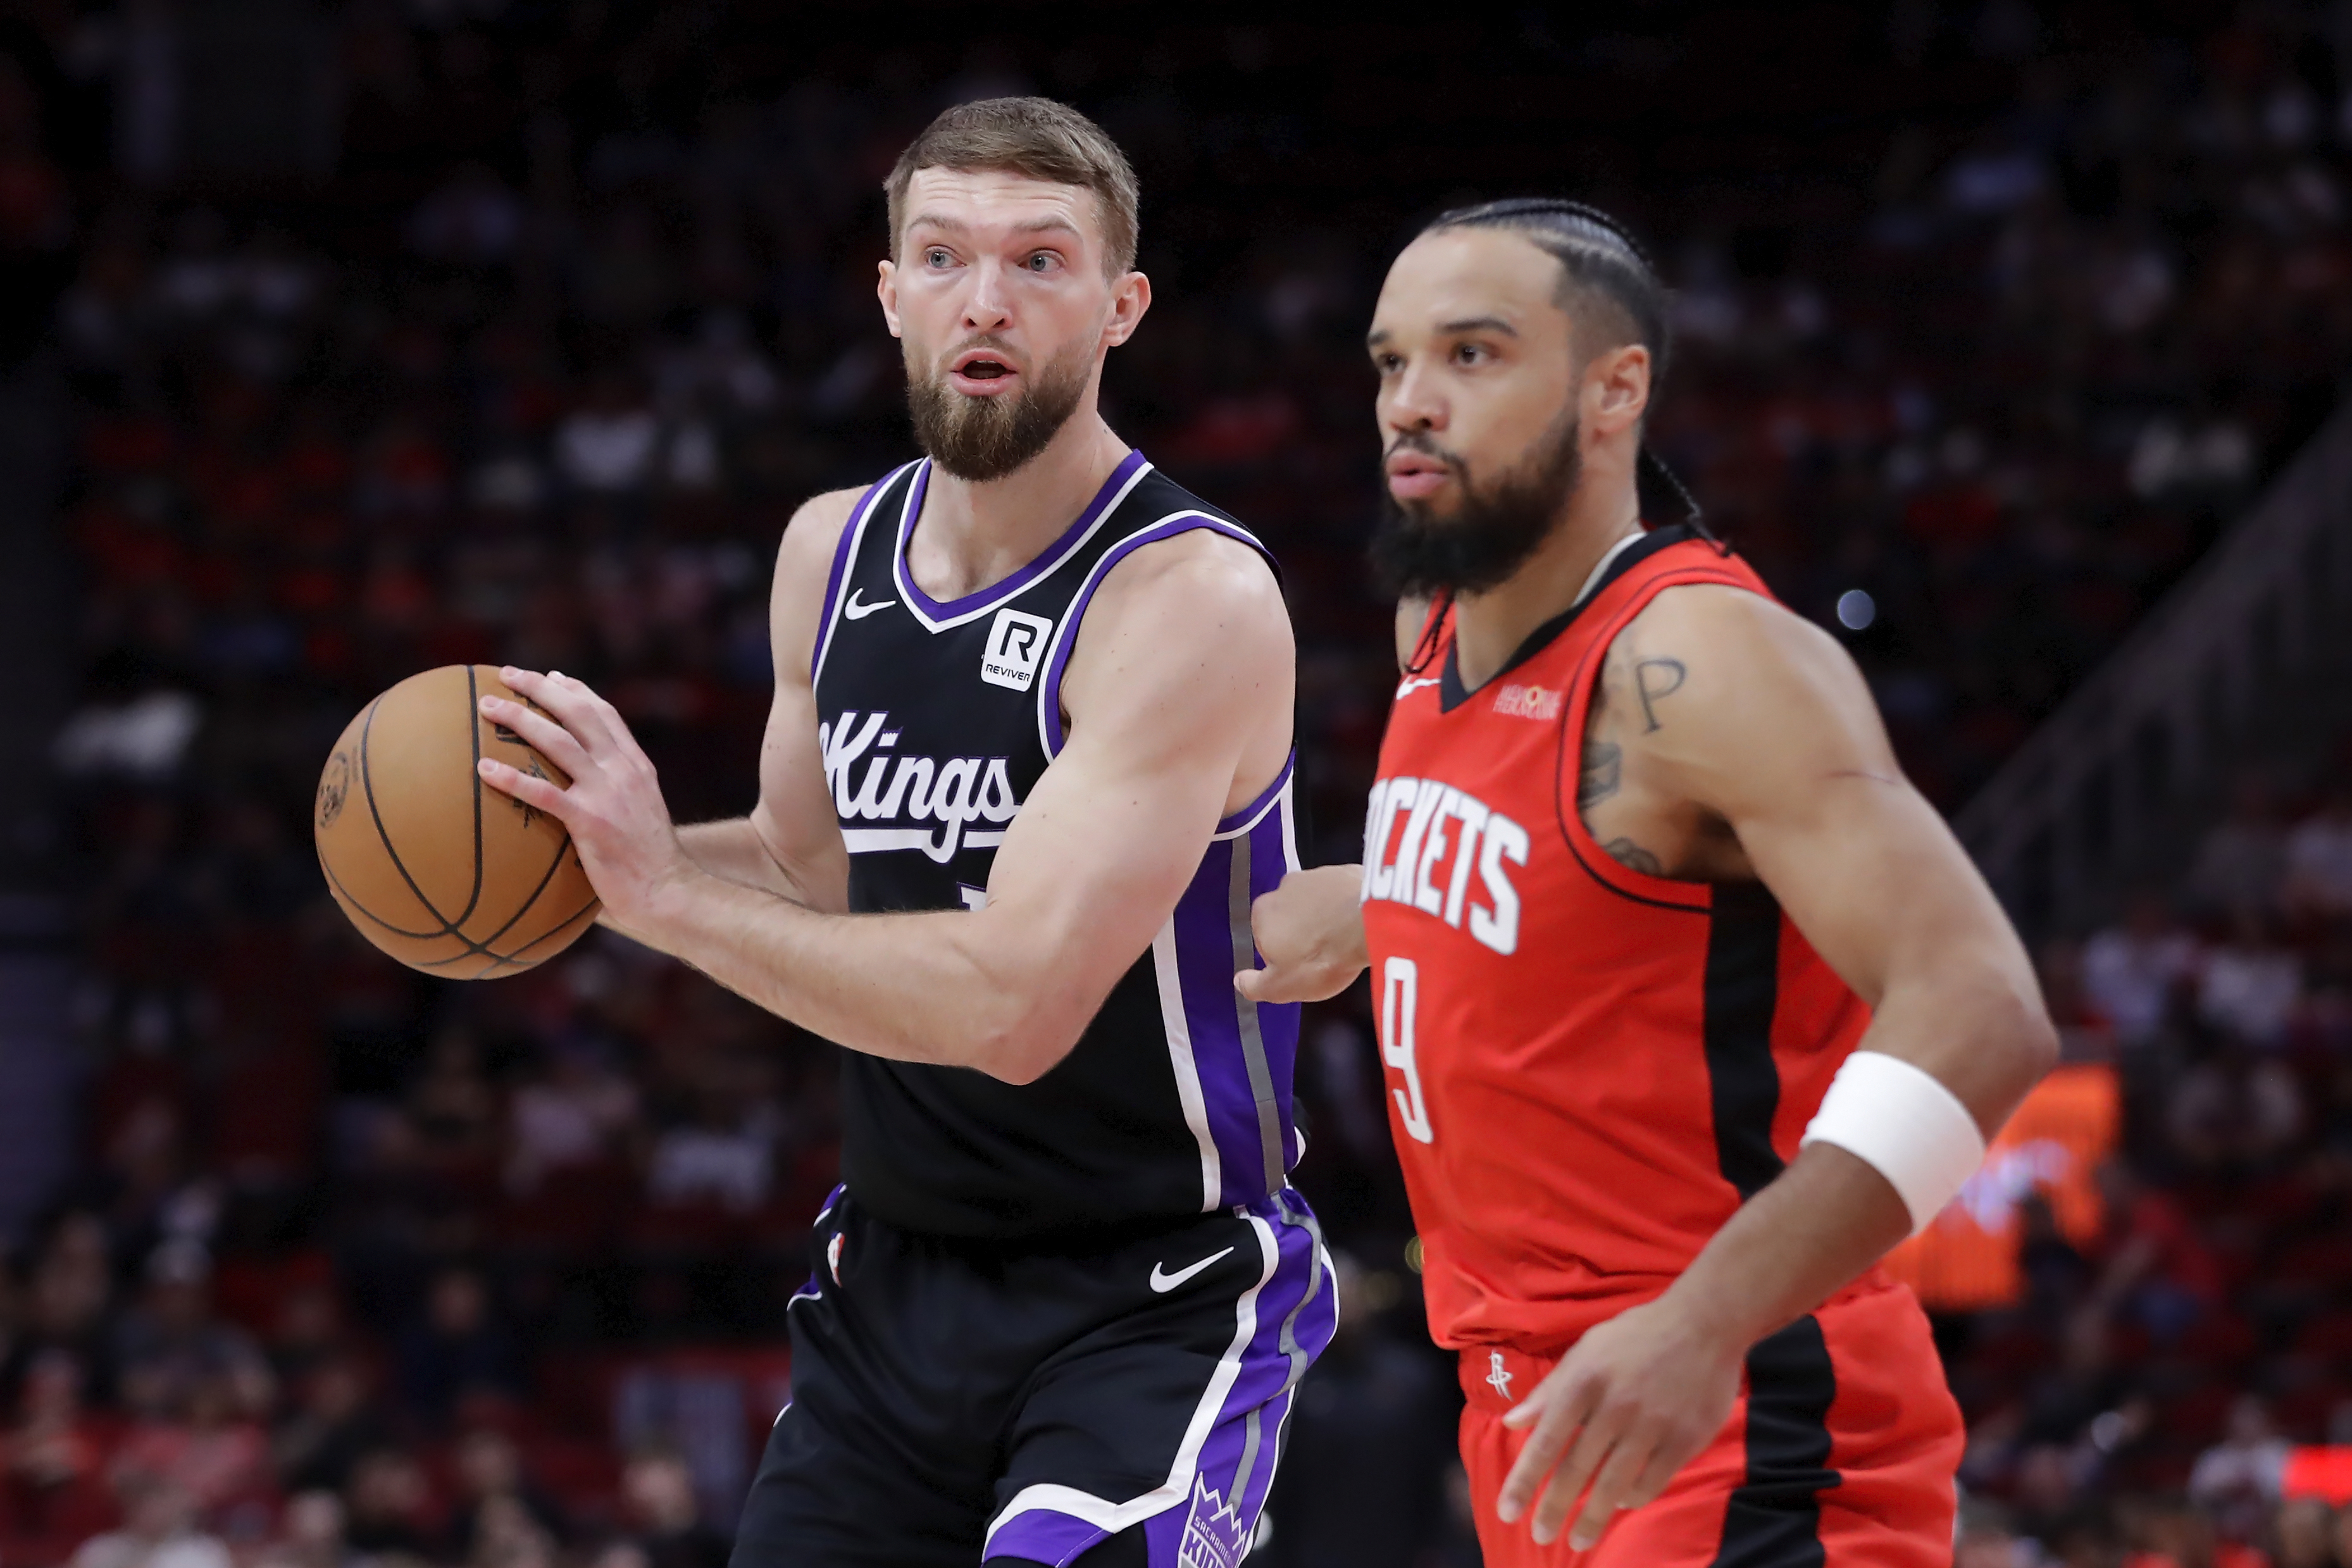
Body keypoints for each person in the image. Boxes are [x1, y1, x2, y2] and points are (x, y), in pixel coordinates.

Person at [476, 97, 1333, 1567]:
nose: (983, 300)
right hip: (889, 1286)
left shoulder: (1185, 597)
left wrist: (663, 897)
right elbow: (808, 866)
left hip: (1149, 1296)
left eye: (1039, 261)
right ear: (889, 295)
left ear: (1121, 307)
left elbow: (1014, 1009)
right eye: (942, 257)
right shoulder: (829, 550)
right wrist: (566, 859)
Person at [1237, 199, 2056, 1564]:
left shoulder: (1705, 664)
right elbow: (1578, 880)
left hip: (1732, 1406)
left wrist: (1704, 1321)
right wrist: (1388, 901)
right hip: (1539, 1416)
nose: (1410, 402)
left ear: (1614, 388)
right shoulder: (1433, 627)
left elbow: (1981, 1011)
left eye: (1471, 354)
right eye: (1389, 362)